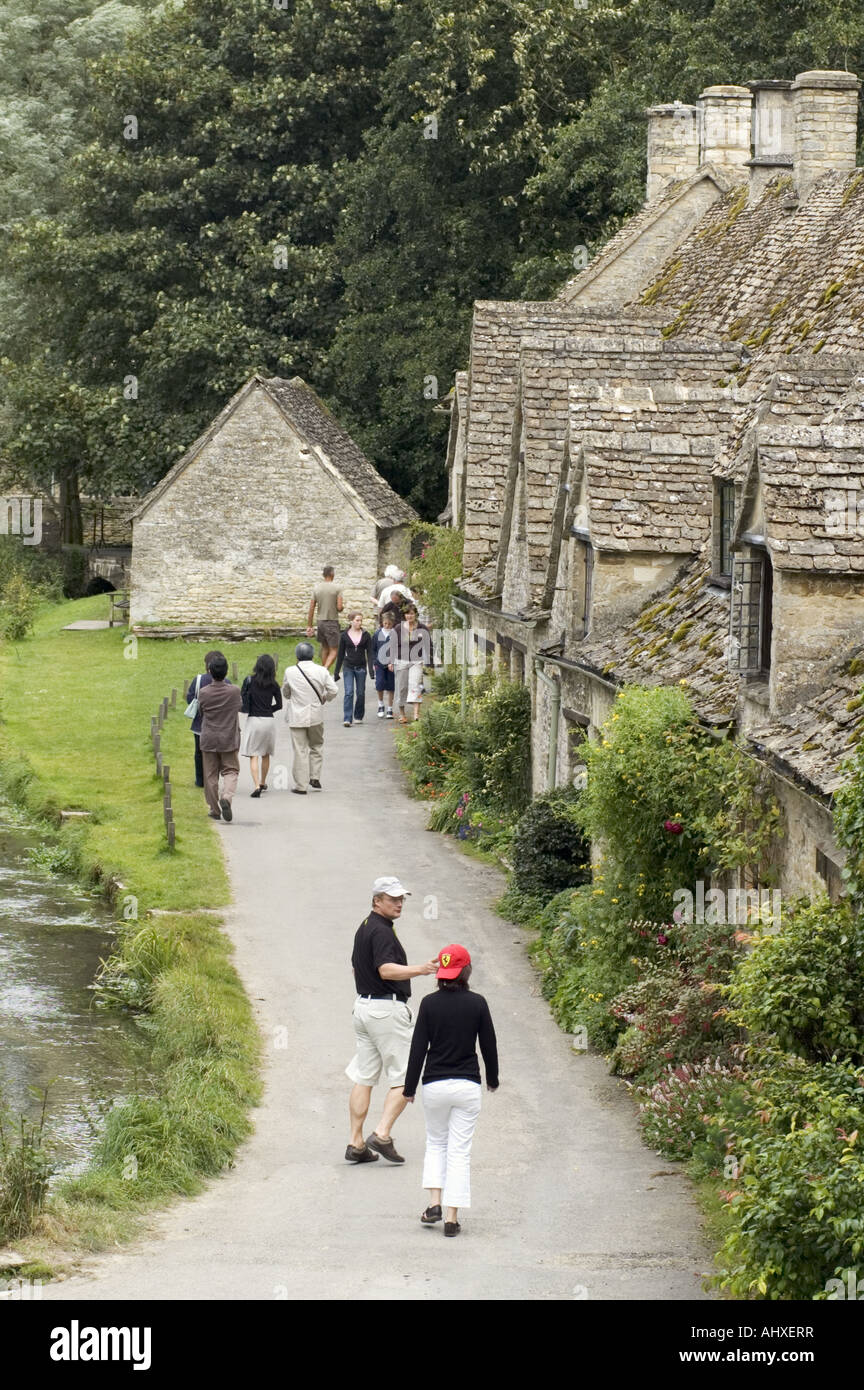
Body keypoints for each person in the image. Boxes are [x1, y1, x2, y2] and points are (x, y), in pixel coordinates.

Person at [402, 944, 499, 1237]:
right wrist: (492, 1079)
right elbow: (488, 1045)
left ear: (442, 974)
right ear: (466, 971)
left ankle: (434, 1203)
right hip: (467, 1085)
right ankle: (452, 1219)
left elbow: (418, 1047)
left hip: (434, 1084)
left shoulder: (429, 1004)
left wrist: (409, 1088)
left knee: (436, 1143)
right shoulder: (478, 1003)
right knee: (459, 1151)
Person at [345, 877, 439, 1165]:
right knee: (405, 1074)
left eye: (401, 898)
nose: (399, 903)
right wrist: (422, 969)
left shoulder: (365, 927)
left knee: (364, 1075)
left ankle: (356, 1142)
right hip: (386, 1010)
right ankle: (382, 1133)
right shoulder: (382, 932)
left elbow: (355, 967)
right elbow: (386, 970)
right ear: (377, 900)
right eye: (392, 898)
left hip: (363, 1007)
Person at [281, 641, 338, 794]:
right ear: (313, 655)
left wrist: (291, 696)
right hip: (316, 714)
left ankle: (301, 785)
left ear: (297, 655)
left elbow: (286, 692)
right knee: (317, 745)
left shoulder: (290, 671)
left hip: (297, 715)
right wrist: (325, 698)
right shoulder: (321, 670)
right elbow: (334, 690)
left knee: (300, 750)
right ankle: (315, 776)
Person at [197, 652, 243, 822]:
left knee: (210, 774)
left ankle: (214, 809)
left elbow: (201, 712)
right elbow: (239, 706)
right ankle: (226, 797)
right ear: (226, 672)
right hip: (228, 738)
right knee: (231, 770)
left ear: (209, 671)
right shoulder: (234, 691)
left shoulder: (203, 693)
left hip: (209, 737)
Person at [239, 654, 283, 796]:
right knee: (265, 754)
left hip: (254, 721)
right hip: (268, 721)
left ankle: (256, 785)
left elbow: (242, 698)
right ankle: (263, 781)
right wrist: (269, 710)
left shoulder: (250, 681)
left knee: (254, 755)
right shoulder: (274, 684)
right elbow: (280, 705)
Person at [392, 603, 434, 724]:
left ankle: (416, 714)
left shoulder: (422, 628)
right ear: (404, 615)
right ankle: (402, 714)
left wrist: (430, 662)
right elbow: (392, 645)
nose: (409, 616)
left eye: (411, 613)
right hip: (401, 660)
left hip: (417, 660)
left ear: (415, 614)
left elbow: (429, 646)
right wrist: (390, 661)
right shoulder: (398, 628)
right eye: (407, 614)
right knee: (401, 687)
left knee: (415, 685)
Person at [333, 611, 375, 727]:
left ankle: (358, 716)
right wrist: (336, 672)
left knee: (360, 693)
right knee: (349, 692)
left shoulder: (366, 635)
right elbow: (340, 654)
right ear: (351, 621)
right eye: (357, 620)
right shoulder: (344, 635)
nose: (359, 622)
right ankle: (347, 718)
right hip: (348, 667)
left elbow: (370, 653)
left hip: (361, 667)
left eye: (361, 620)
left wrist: (371, 670)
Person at [186, 650, 220, 787]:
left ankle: (200, 780)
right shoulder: (225, 681)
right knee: (215, 753)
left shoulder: (199, 680)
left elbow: (190, 698)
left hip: (200, 723)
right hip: (218, 724)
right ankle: (213, 778)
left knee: (199, 752)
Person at [306, 564, 343, 670]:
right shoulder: (337, 588)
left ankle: (323, 673)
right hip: (331, 622)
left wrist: (309, 625)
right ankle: (324, 670)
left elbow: (311, 607)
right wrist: (341, 607)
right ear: (332, 574)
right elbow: (339, 607)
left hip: (320, 622)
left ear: (323, 575)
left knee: (325, 648)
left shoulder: (316, 588)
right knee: (334, 650)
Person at [372, 609, 397, 719]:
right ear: (382, 622)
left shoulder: (395, 634)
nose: (387, 625)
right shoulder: (377, 634)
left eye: (389, 624)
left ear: (393, 623)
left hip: (391, 664)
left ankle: (390, 708)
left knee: (391, 686)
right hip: (379, 663)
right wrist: (374, 662)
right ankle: (381, 705)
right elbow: (373, 649)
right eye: (385, 623)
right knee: (380, 684)